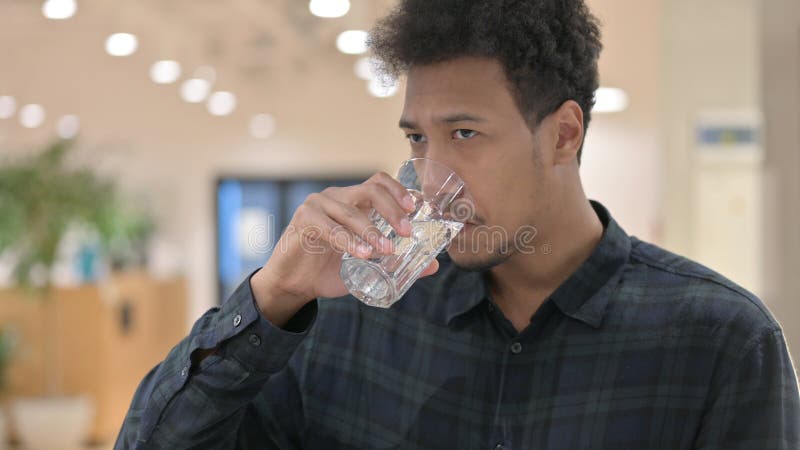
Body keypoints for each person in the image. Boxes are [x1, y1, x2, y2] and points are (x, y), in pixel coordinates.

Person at [116, 0, 800, 448]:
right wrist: (272, 296)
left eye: (465, 134)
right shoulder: (350, 323)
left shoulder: (719, 343)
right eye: (417, 139)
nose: (434, 176)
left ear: (563, 136)